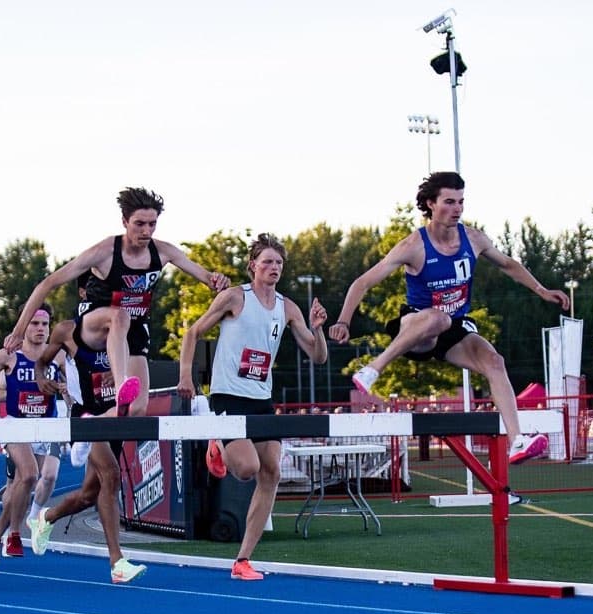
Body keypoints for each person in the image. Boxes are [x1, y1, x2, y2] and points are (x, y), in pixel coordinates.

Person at [329, 171, 570, 465]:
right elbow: (362, 282)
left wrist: (542, 290)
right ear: (431, 204)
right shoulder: (412, 246)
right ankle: (373, 369)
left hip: (454, 327)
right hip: (417, 327)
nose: (457, 209)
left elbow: (508, 264)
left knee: (495, 362)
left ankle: (516, 440)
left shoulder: (474, 238)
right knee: (437, 319)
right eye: (449, 202)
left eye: (461, 202)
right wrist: (343, 321)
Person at [4, 187, 230, 421]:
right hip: (94, 324)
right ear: (124, 221)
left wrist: (218, 280)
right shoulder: (104, 252)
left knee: (138, 410)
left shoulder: (163, 251)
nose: (146, 231)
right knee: (119, 316)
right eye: (139, 224)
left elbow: (207, 278)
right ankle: (122, 383)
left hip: (133, 329)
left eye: (152, 224)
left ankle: (89, 426)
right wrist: (18, 332)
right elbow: (47, 284)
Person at [177, 233, 328, 581]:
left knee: (271, 472)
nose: (274, 268)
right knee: (246, 469)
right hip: (229, 397)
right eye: (267, 262)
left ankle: (243, 560)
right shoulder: (234, 298)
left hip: (262, 399)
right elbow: (192, 333)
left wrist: (317, 329)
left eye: (278, 263)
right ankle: (216, 446)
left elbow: (317, 357)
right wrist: (186, 375)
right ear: (253, 266)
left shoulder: (287, 308)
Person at [26, 282, 148, 584]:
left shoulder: (127, 329)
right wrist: (42, 377)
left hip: (114, 415)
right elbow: (42, 360)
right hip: (85, 414)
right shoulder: (68, 330)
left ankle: (45, 518)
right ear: (84, 295)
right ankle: (117, 562)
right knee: (111, 475)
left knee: (89, 494)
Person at [0, 303, 66, 565]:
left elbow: (73, 385)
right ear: (24, 325)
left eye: (45, 324)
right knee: (29, 474)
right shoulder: (9, 355)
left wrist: (64, 389)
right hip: (15, 423)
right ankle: (15, 535)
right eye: (35, 323)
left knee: (21, 487)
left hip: (44, 426)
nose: (40, 329)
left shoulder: (57, 356)